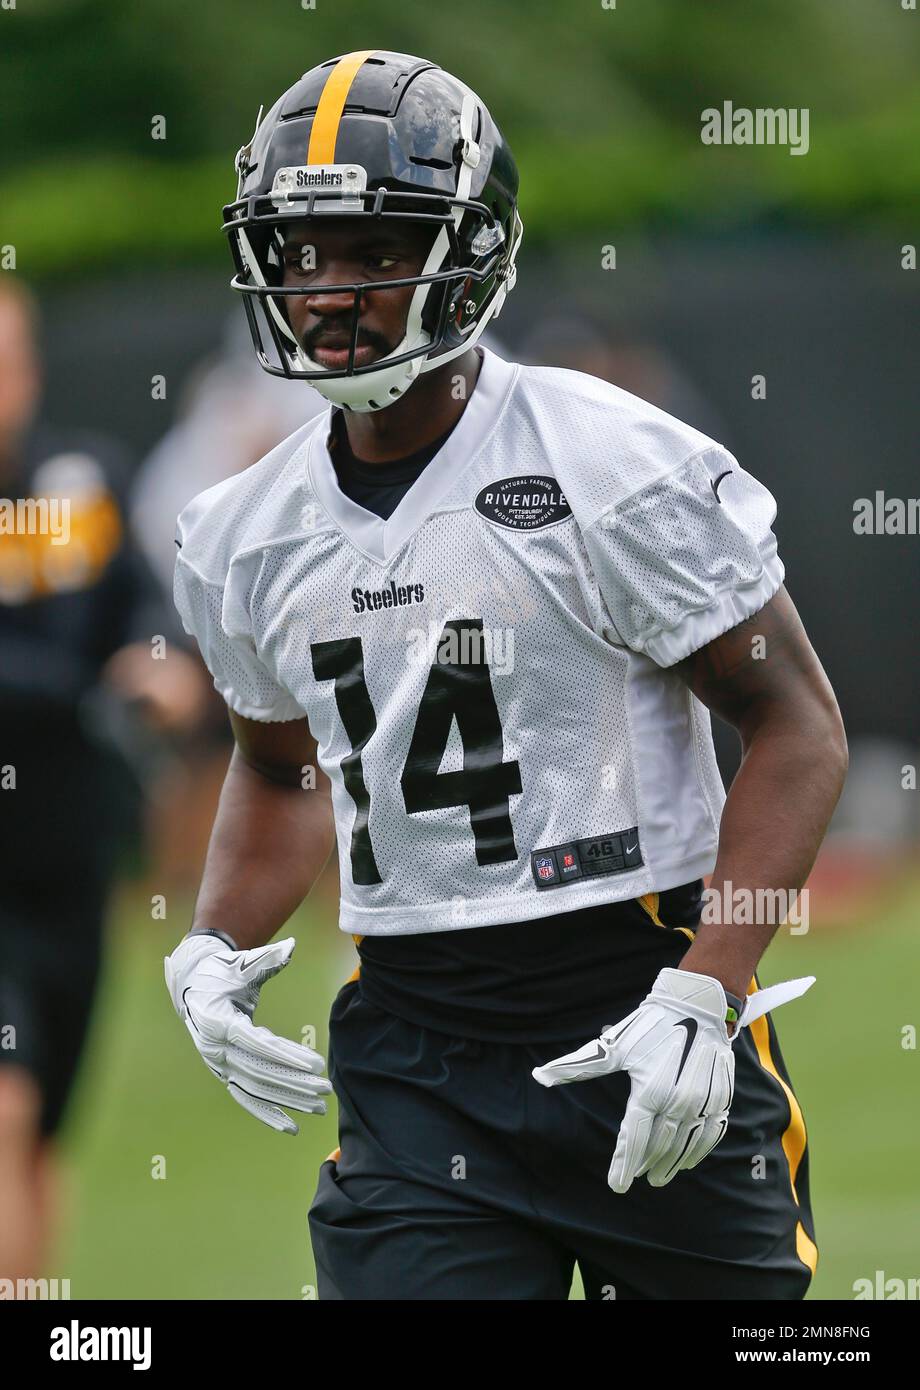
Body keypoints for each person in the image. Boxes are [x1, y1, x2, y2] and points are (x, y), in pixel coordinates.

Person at [165, 50, 847, 1301]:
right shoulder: (240, 530)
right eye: (299, 250)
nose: (324, 290)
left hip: (640, 987)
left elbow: (794, 725)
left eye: (369, 246)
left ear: (468, 253)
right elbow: (277, 767)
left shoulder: (609, 463)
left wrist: (709, 986)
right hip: (413, 1046)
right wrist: (212, 943)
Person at [0, 278, 202, 1284]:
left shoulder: (78, 484)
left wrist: (155, 664)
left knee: (44, 1135)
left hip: (72, 853)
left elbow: (145, 611)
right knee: (4, 1108)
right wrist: (88, 689)